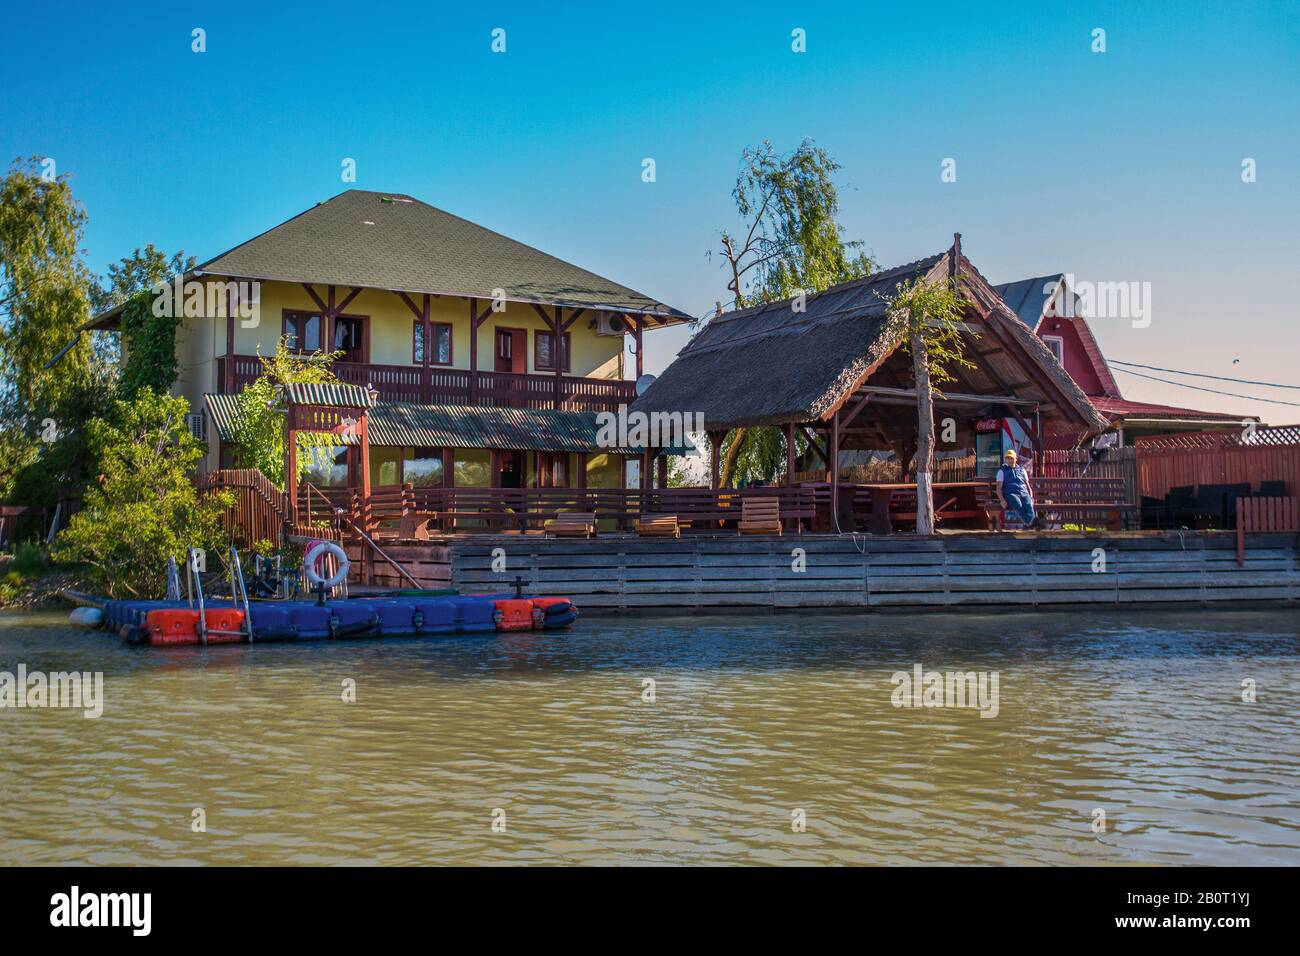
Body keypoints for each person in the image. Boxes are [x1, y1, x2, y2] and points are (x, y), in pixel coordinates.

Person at [996, 449, 1038, 529]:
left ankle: (1028, 524)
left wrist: (1031, 496)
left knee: (1029, 505)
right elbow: (998, 488)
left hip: (1024, 493)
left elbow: (1027, 485)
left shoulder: (1022, 470)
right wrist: (1002, 500)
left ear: (1016, 459)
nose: (1009, 460)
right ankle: (1032, 524)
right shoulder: (1002, 471)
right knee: (1018, 504)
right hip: (1011, 494)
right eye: (1008, 458)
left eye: (1011, 458)